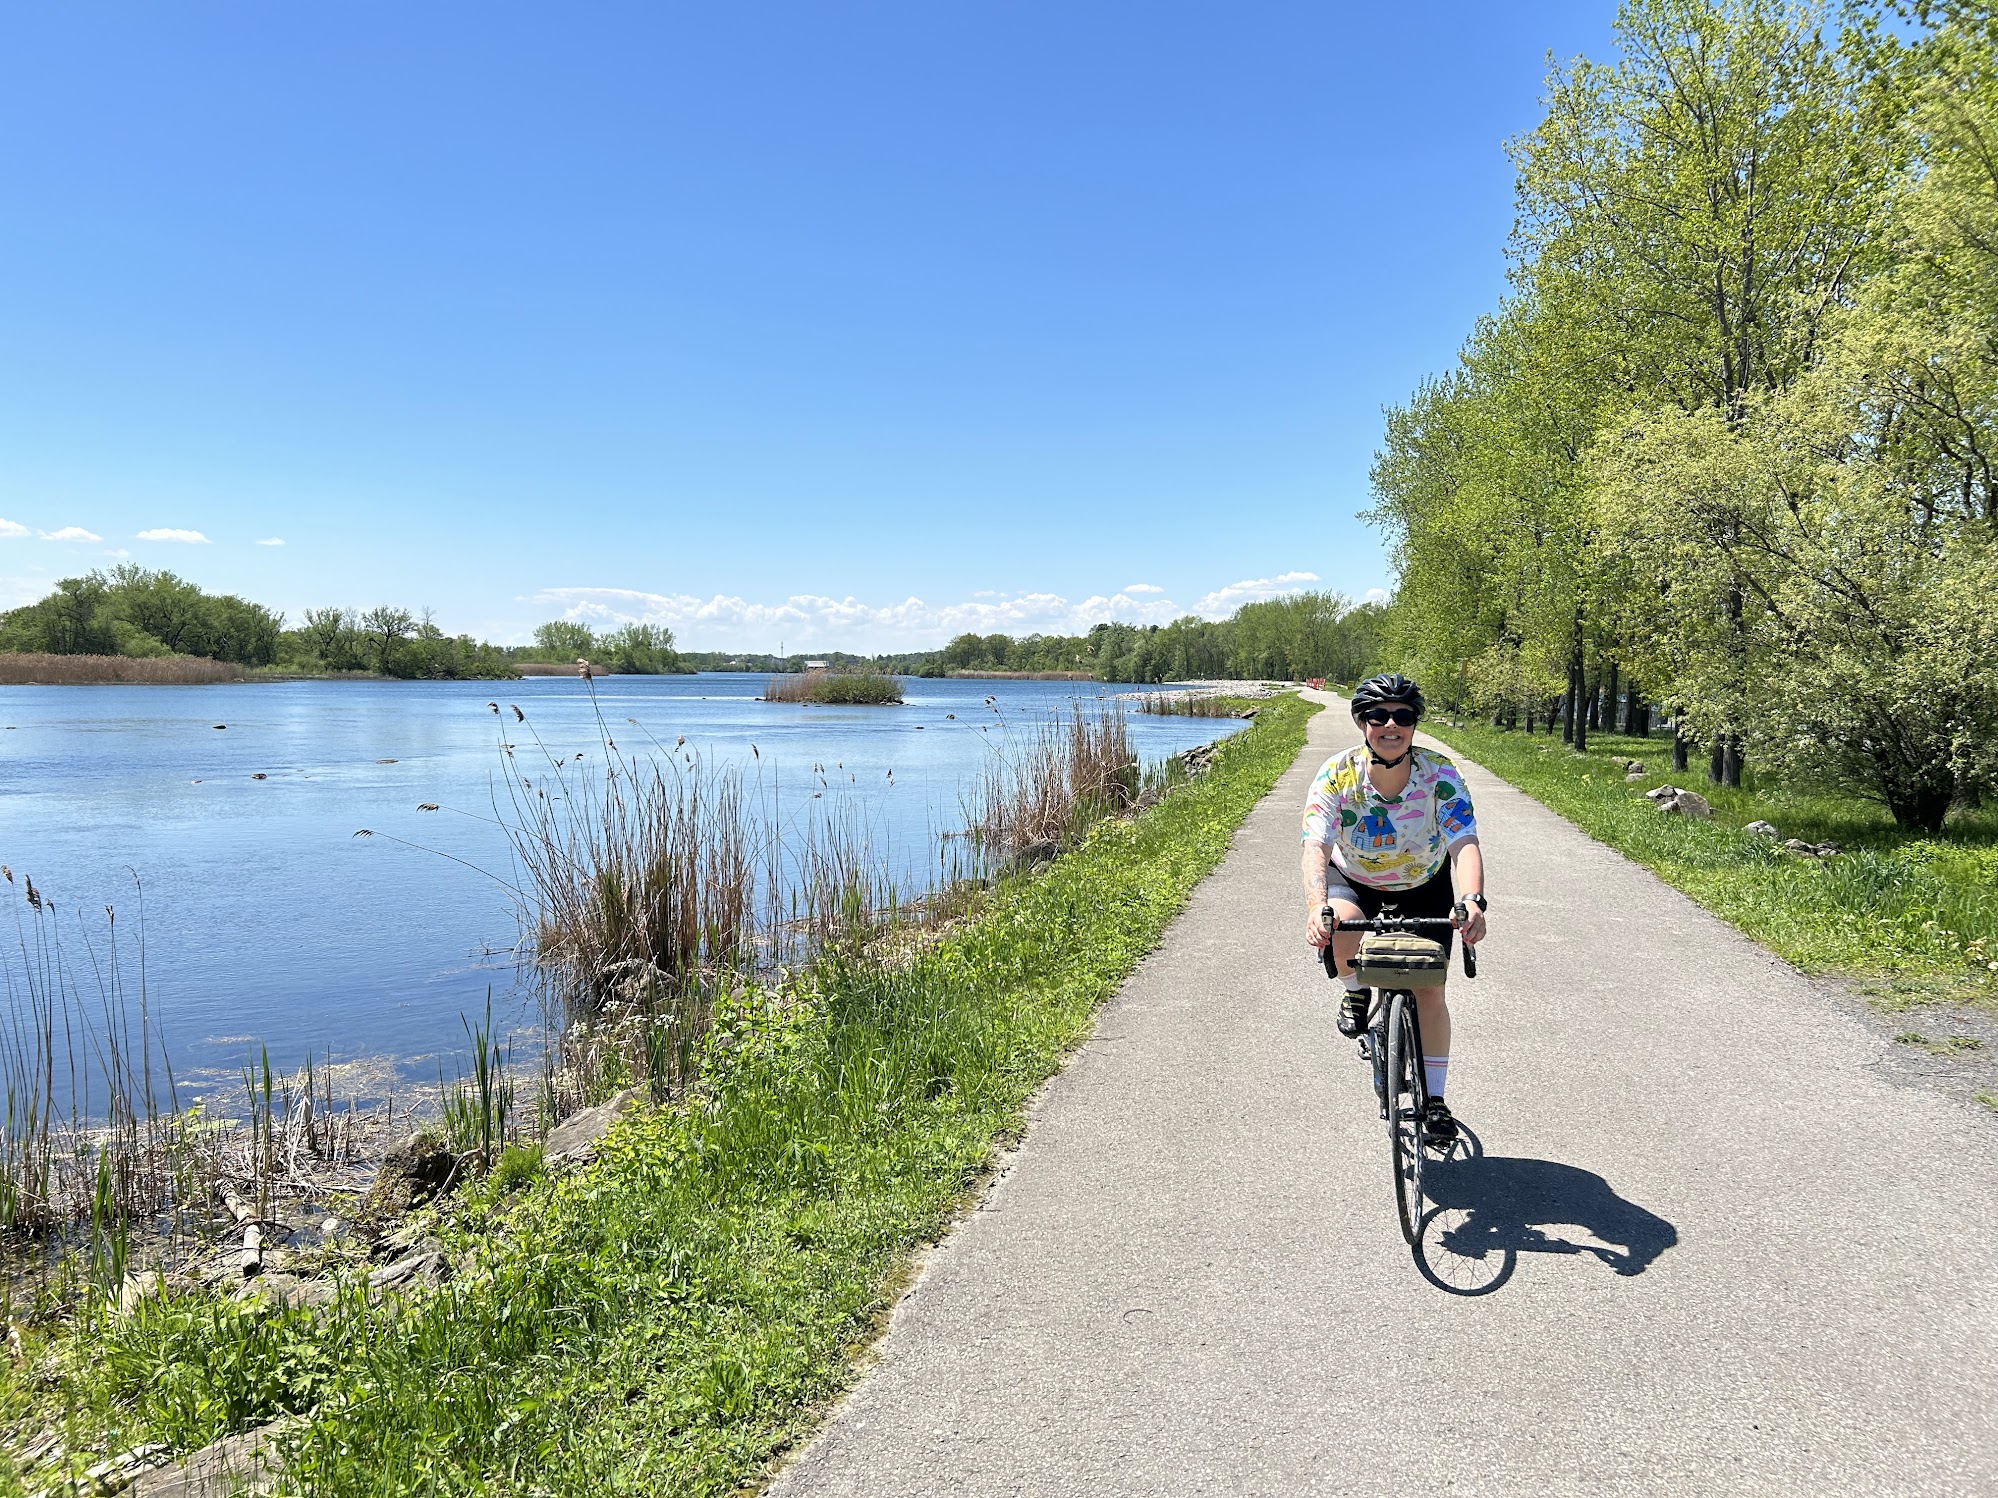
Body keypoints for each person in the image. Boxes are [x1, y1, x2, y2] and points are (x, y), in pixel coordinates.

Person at [1301, 673, 1488, 1145]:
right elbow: (1316, 846)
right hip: (1355, 878)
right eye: (1378, 716)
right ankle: (1356, 992)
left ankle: (1436, 1099)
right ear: (1362, 723)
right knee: (1340, 930)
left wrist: (1472, 901)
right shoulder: (1338, 773)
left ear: (1414, 725)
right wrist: (1316, 906)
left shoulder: (1439, 773)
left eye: (1403, 716)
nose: (1391, 725)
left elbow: (1463, 842)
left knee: (1430, 989)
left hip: (1423, 883)